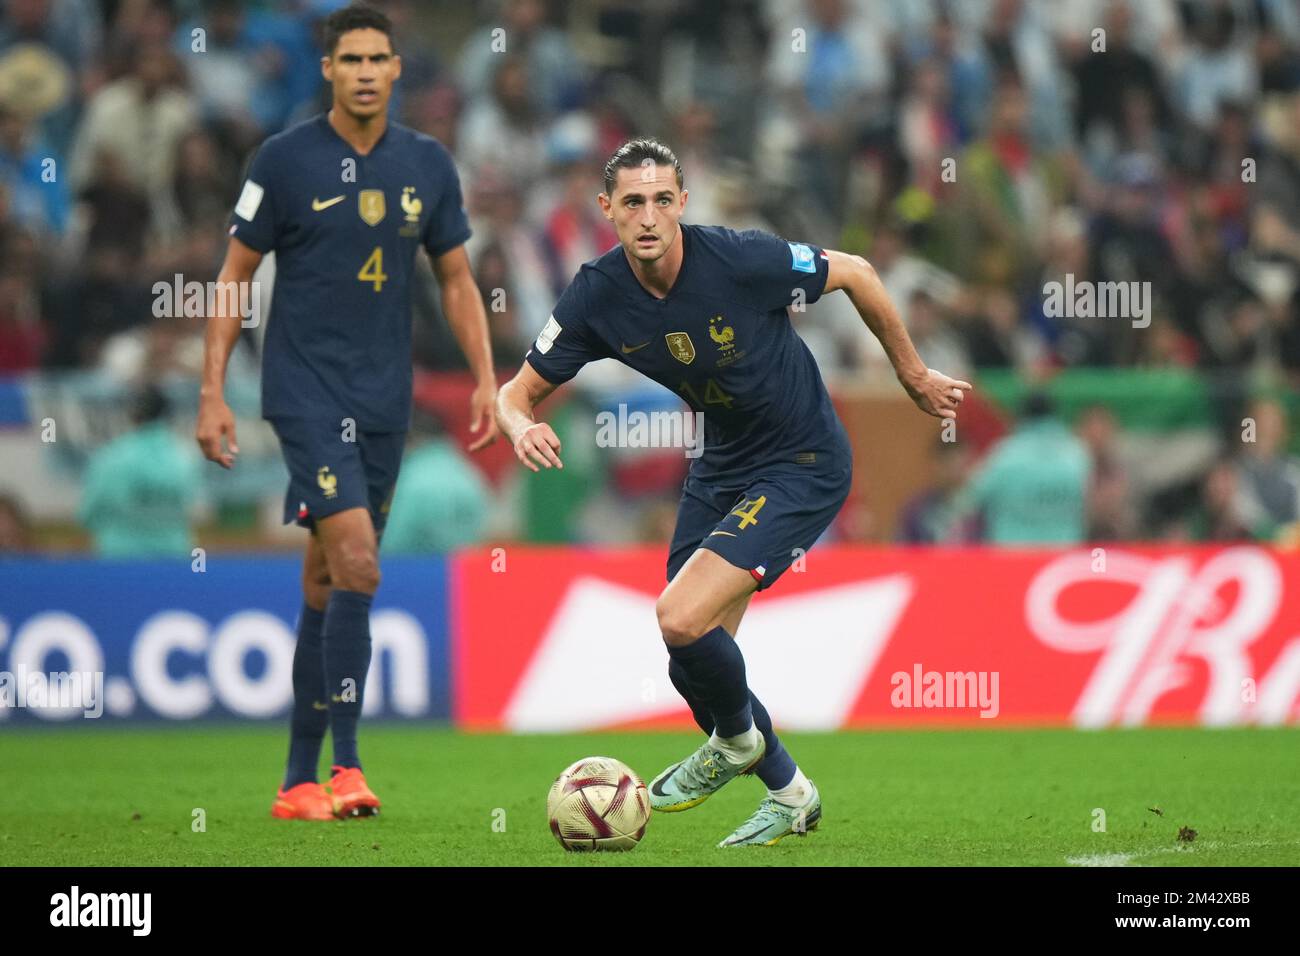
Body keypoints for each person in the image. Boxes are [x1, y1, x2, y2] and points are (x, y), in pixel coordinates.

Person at [495, 139, 970, 847]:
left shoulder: (741, 260)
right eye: (632, 202)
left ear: (683, 203)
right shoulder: (598, 294)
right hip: (720, 467)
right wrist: (517, 422)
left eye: (662, 200)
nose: (649, 216)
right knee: (690, 662)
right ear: (608, 211)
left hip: (802, 461)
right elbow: (515, 392)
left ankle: (740, 746)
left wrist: (911, 373)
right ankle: (789, 791)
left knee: (681, 618)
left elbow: (861, 272)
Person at [195, 4, 497, 822]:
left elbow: (458, 279)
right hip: (303, 393)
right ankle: (349, 769)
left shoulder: (427, 164)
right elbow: (233, 274)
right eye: (350, 58)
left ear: (398, 69)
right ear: (327, 69)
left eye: (379, 58)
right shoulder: (285, 160)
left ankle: (295, 783)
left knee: (328, 578)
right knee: (360, 562)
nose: (365, 71)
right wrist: (212, 389)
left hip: (384, 400)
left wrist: (484, 377)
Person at [80, 387, 198, 557]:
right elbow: (191, 502)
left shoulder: (113, 455)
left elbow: (91, 510)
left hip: (121, 555)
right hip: (174, 554)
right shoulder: (187, 456)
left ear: (133, 415)